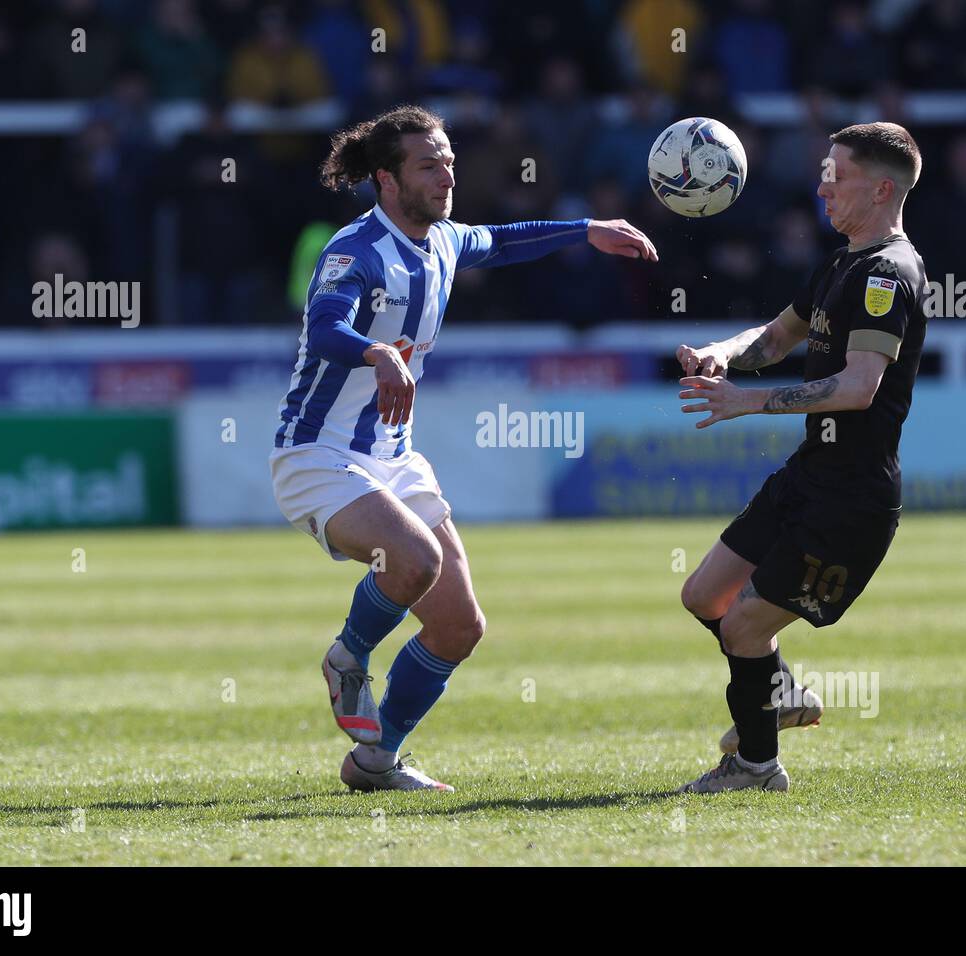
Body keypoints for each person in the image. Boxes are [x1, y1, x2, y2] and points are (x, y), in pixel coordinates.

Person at [270, 104, 657, 792]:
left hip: (393, 456)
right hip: (317, 455)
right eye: (428, 163)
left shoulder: (444, 240)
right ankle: (349, 656)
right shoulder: (353, 252)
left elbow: (502, 241)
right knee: (412, 559)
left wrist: (585, 230)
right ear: (387, 180)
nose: (447, 172)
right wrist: (379, 355)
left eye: (448, 159)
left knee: (459, 626)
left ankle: (375, 760)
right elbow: (325, 327)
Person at [675, 122, 928, 793]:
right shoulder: (840, 261)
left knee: (745, 624)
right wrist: (724, 355)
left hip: (853, 500)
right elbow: (778, 336)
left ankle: (756, 767)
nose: (821, 185)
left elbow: (857, 387)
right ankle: (780, 695)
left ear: (880, 188)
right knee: (704, 596)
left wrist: (744, 402)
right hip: (810, 476)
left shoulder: (886, 275)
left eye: (835, 174)